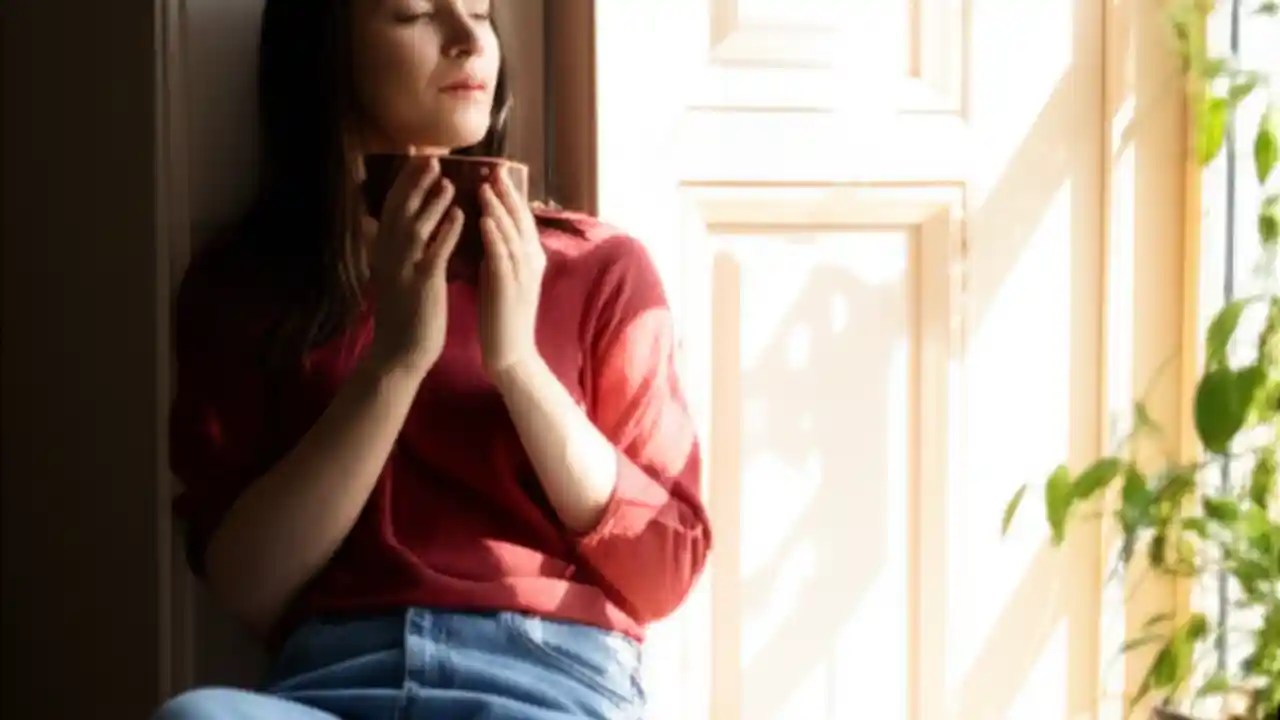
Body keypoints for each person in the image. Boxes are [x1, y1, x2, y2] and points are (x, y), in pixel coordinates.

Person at [153, 0, 711, 718]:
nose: (467, 37)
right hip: (334, 678)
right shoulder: (245, 285)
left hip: (545, 677)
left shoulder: (597, 267)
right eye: (416, 12)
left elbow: (665, 568)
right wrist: (395, 364)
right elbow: (245, 584)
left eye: (479, 10)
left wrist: (517, 365)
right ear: (327, 50)